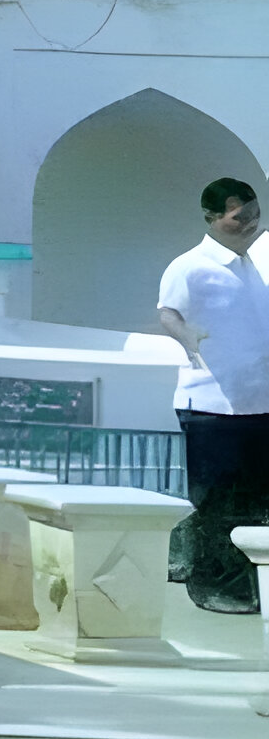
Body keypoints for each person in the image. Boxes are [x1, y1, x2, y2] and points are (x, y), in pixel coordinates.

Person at [154, 175, 269, 617]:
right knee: (217, 502)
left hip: (259, 405)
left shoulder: (254, 265)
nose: (250, 223)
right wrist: (188, 336)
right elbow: (168, 312)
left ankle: (249, 588)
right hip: (211, 407)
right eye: (240, 217)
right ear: (213, 217)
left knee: (256, 502)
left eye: (254, 213)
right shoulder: (191, 265)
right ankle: (212, 588)